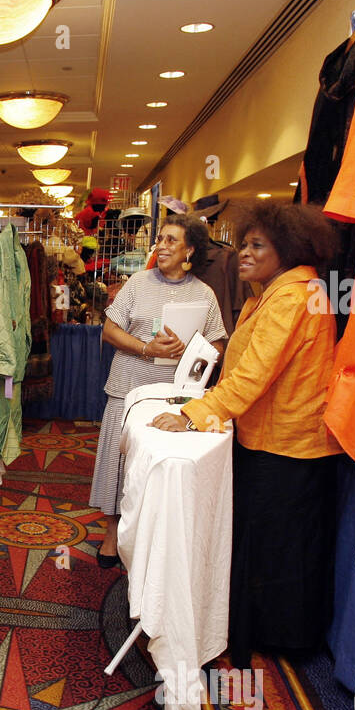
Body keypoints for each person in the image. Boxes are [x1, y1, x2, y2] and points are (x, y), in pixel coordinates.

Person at [149, 201, 342, 667]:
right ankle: (269, 630)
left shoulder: (294, 297)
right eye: (243, 245)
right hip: (274, 440)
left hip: (291, 447)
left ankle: (284, 639)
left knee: (282, 548)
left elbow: (254, 374)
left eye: (257, 246)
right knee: (270, 544)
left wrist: (198, 413)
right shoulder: (271, 294)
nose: (244, 255)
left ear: (288, 250)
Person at [91, 215, 226, 568]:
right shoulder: (137, 282)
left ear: (190, 250)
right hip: (127, 384)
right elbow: (109, 331)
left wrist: (192, 349)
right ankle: (110, 533)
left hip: (172, 393)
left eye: (171, 241)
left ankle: (150, 536)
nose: (162, 246)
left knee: (155, 466)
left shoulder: (204, 294)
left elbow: (218, 344)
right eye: (161, 239)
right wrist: (147, 348)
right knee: (117, 464)